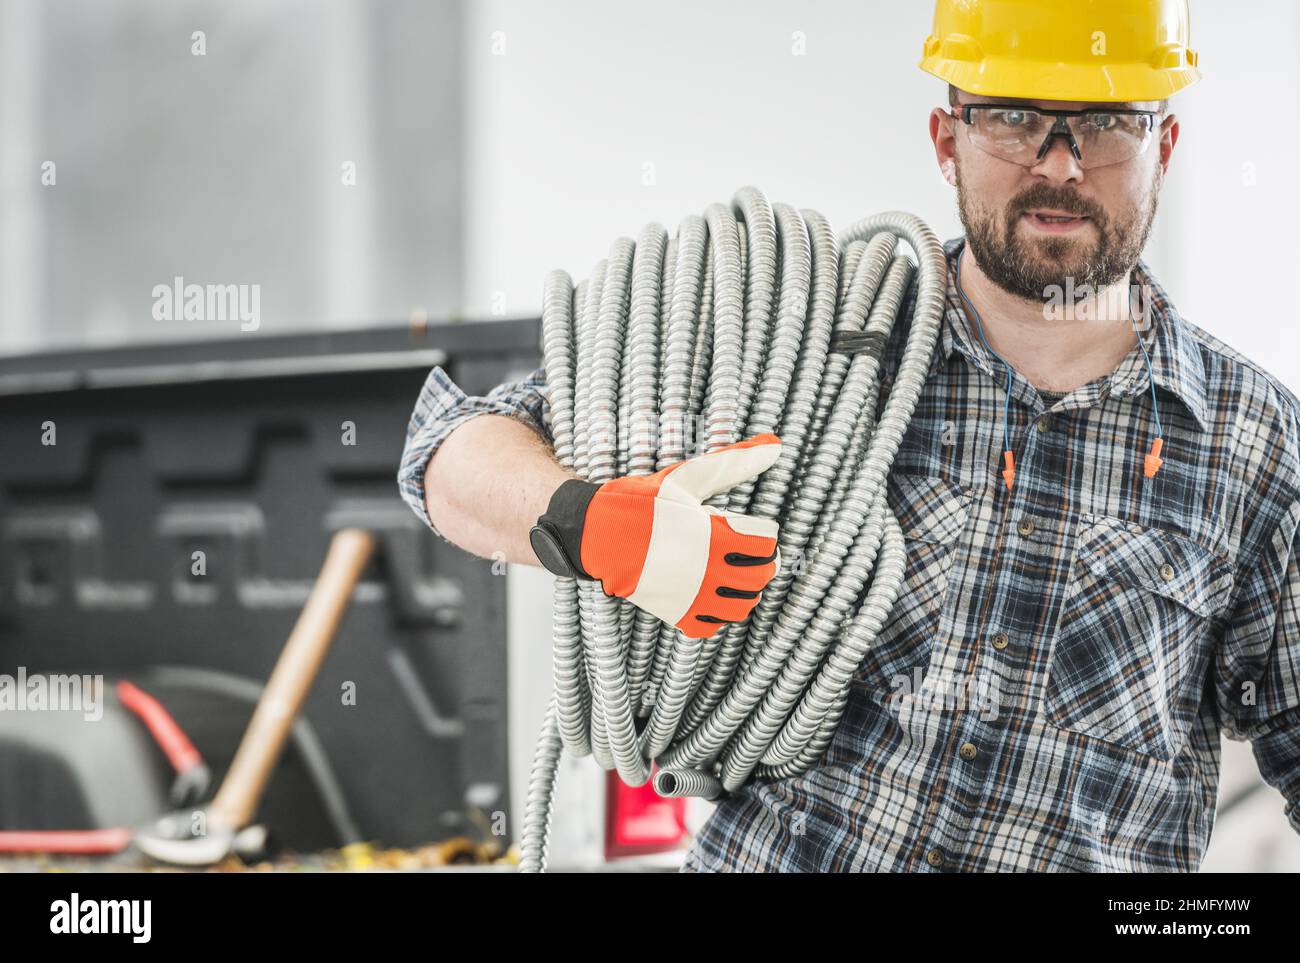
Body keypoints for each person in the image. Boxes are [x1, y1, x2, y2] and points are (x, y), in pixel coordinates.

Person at [398, 0, 1300, 871]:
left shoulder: (1251, 441)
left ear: (1165, 146)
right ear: (947, 139)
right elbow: (444, 452)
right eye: (1015, 118)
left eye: (1104, 123)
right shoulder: (799, 340)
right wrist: (593, 525)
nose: (1059, 165)